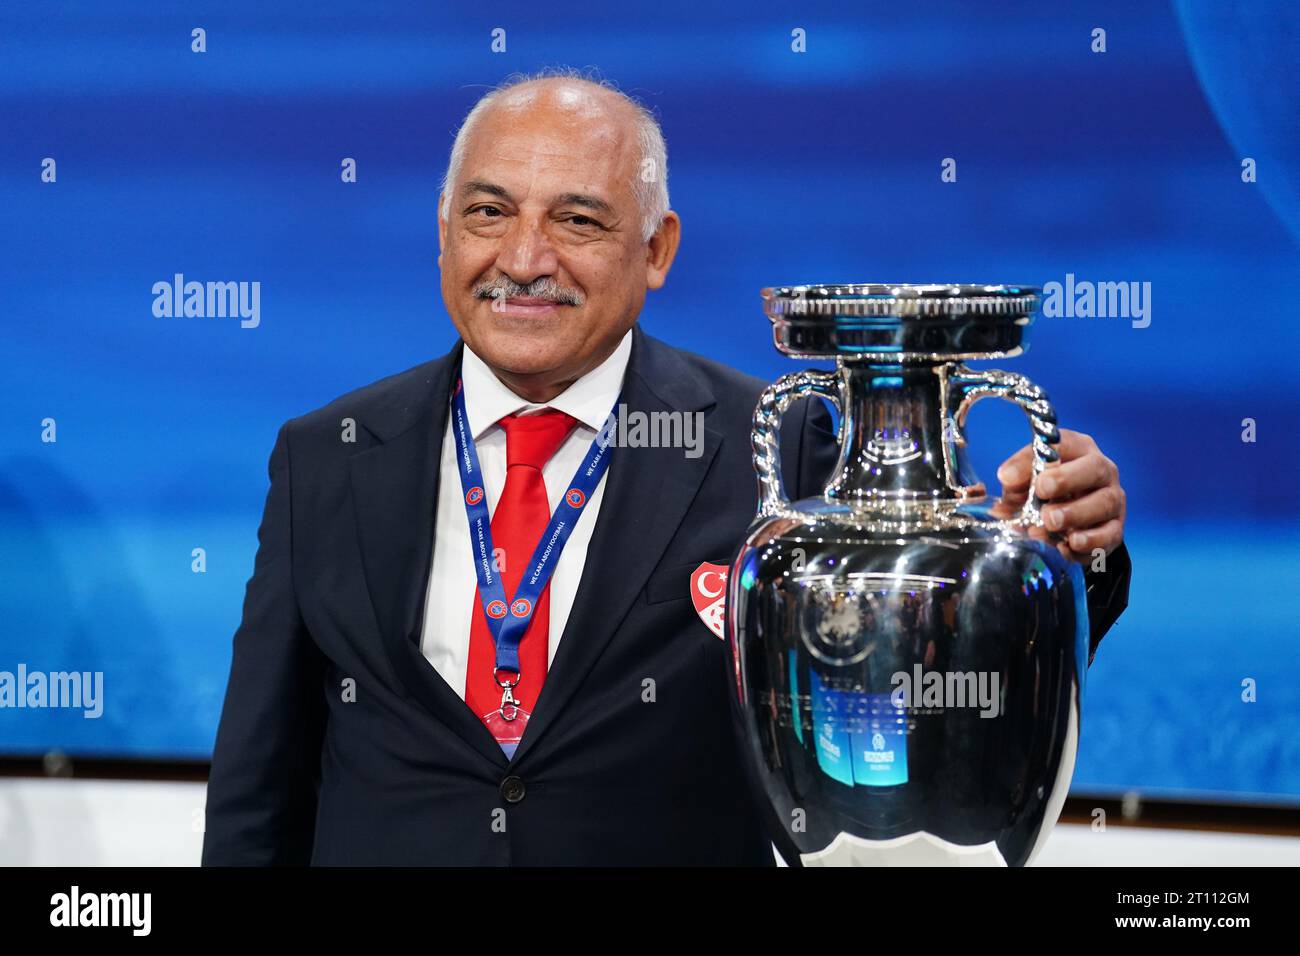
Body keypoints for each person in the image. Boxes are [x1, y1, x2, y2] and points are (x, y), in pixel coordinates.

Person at [202, 70, 1130, 866]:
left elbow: (943, 678)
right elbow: (260, 786)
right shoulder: (328, 453)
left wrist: (1059, 545)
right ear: (442, 229)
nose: (524, 259)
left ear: (657, 251)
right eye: (489, 212)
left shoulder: (788, 439)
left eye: (578, 220)